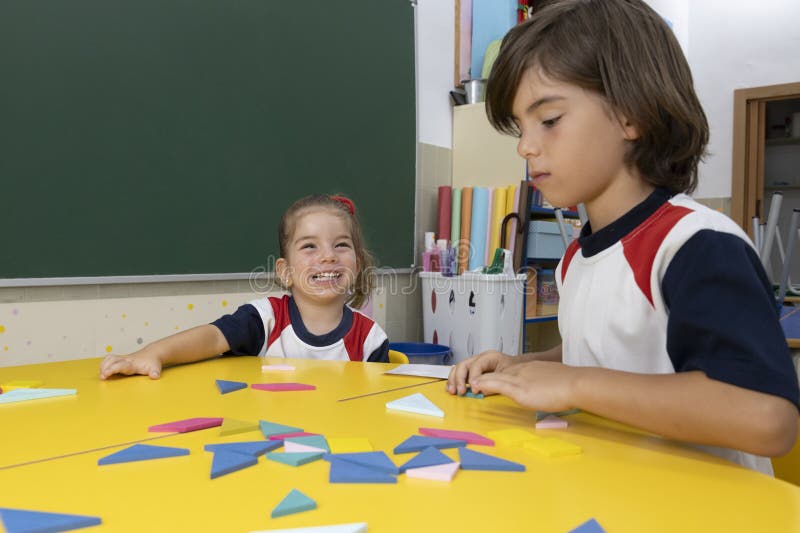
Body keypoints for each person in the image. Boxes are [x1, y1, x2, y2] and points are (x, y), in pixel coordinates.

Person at [446, 0, 799, 474]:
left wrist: (574, 385)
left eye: (548, 119)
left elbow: (767, 418)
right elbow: (611, 350)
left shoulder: (694, 245)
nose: (525, 146)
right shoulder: (577, 256)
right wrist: (526, 366)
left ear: (632, 114)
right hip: (620, 495)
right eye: (521, 127)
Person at [100, 194, 389, 380]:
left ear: (358, 263)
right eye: (310, 246)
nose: (328, 256)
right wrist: (154, 353)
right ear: (285, 272)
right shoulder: (264, 319)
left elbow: (371, 403)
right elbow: (212, 338)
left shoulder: (371, 339)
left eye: (341, 245)